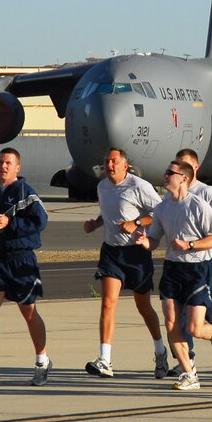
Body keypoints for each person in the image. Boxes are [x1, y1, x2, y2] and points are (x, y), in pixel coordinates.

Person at [134, 160, 212, 391]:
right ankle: (189, 374)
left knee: (196, 328)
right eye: (166, 171)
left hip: (197, 269)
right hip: (172, 268)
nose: (165, 175)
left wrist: (190, 244)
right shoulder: (163, 207)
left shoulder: (198, 206)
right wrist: (146, 242)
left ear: (183, 178)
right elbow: (155, 238)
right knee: (171, 321)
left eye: (170, 173)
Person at [82, 147, 167, 378]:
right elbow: (107, 214)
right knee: (108, 303)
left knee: (143, 307)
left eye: (113, 161)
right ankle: (105, 360)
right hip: (111, 253)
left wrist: (137, 222)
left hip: (136, 254)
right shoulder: (102, 187)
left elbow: (160, 212)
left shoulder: (139, 186)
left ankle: (160, 350)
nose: (109, 165)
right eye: (106, 161)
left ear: (125, 165)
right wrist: (95, 224)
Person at [0, 147, 52, 386]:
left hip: (21, 259)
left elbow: (41, 221)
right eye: (0, 162)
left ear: (18, 167)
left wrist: (11, 222)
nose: (3, 166)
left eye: (8, 162)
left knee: (28, 312)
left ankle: (42, 360)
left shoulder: (26, 192)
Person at [168, 148, 212, 375]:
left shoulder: (207, 193)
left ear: (195, 168)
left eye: (186, 165)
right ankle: (188, 359)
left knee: (207, 308)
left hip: (204, 259)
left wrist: (200, 236)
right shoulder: (171, 194)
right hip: (179, 263)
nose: (181, 169)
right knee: (178, 312)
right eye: (177, 165)